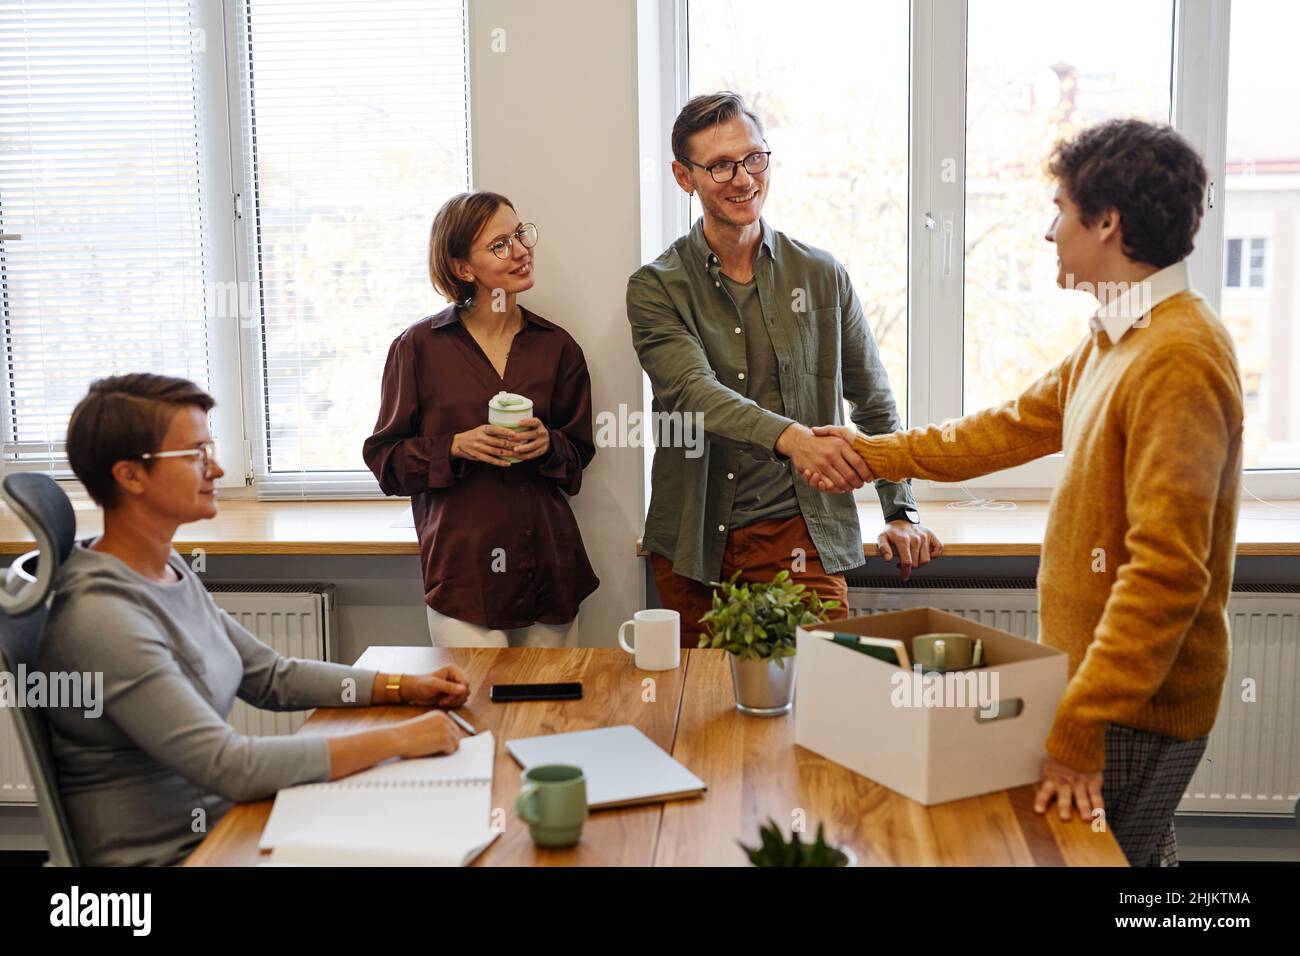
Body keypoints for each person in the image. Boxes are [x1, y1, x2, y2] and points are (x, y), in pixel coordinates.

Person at [810, 119, 1240, 866]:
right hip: (1101, 696)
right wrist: (871, 454)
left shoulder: (1179, 357)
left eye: (1060, 208)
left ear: (1107, 222)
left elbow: (1167, 576)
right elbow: (1004, 431)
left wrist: (1078, 728)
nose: (1049, 231)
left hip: (1133, 709)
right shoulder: (1116, 337)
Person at [40, 374, 472, 866]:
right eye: (195, 455)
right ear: (130, 476)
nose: (217, 469)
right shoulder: (102, 618)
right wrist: (399, 738)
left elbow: (270, 676)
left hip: (230, 826)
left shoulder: (164, 567)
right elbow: (231, 767)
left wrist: (403, 687)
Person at [627, 91, 943, 647]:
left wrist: (902, 509)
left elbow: (872, 400)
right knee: (699, 717)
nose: (743, 177)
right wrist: (794, 439)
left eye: (753, 158)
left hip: (801, 531)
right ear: (685, 177)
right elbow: (693, 392)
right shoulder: (656, 286)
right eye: (720, 165)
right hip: (695, 540)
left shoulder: (822, 275)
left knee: (815, 707)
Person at [364, 191, 598, 647]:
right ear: (462, 269)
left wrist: (547, 444)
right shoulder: (417, 349)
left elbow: (578, 458)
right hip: (464, 577)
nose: (521, 251)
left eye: (520, 235)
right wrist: (454, 446)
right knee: (476, 715)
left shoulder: (558, 348)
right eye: (500, 244)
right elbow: (386, 462)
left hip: (549, 570)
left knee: (552, 717)